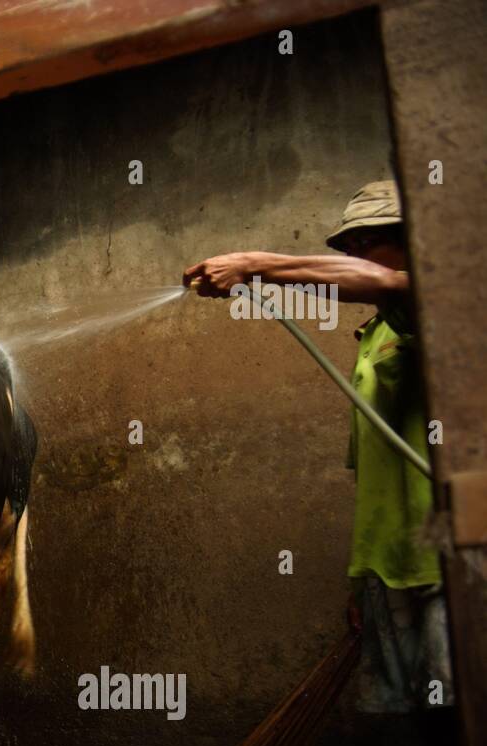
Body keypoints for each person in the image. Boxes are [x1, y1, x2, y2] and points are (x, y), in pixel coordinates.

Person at [183, 180, 452, 714]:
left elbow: (387, 281)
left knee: (469, 722)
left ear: (416, 237)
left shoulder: (438, 307)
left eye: (367, 240)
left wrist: (255, 264)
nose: (355, 254)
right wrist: (361, 582)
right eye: (347, 246)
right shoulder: (374, 336)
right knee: (422, 728)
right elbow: (374, 480)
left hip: (446, 568)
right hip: (387, 570)